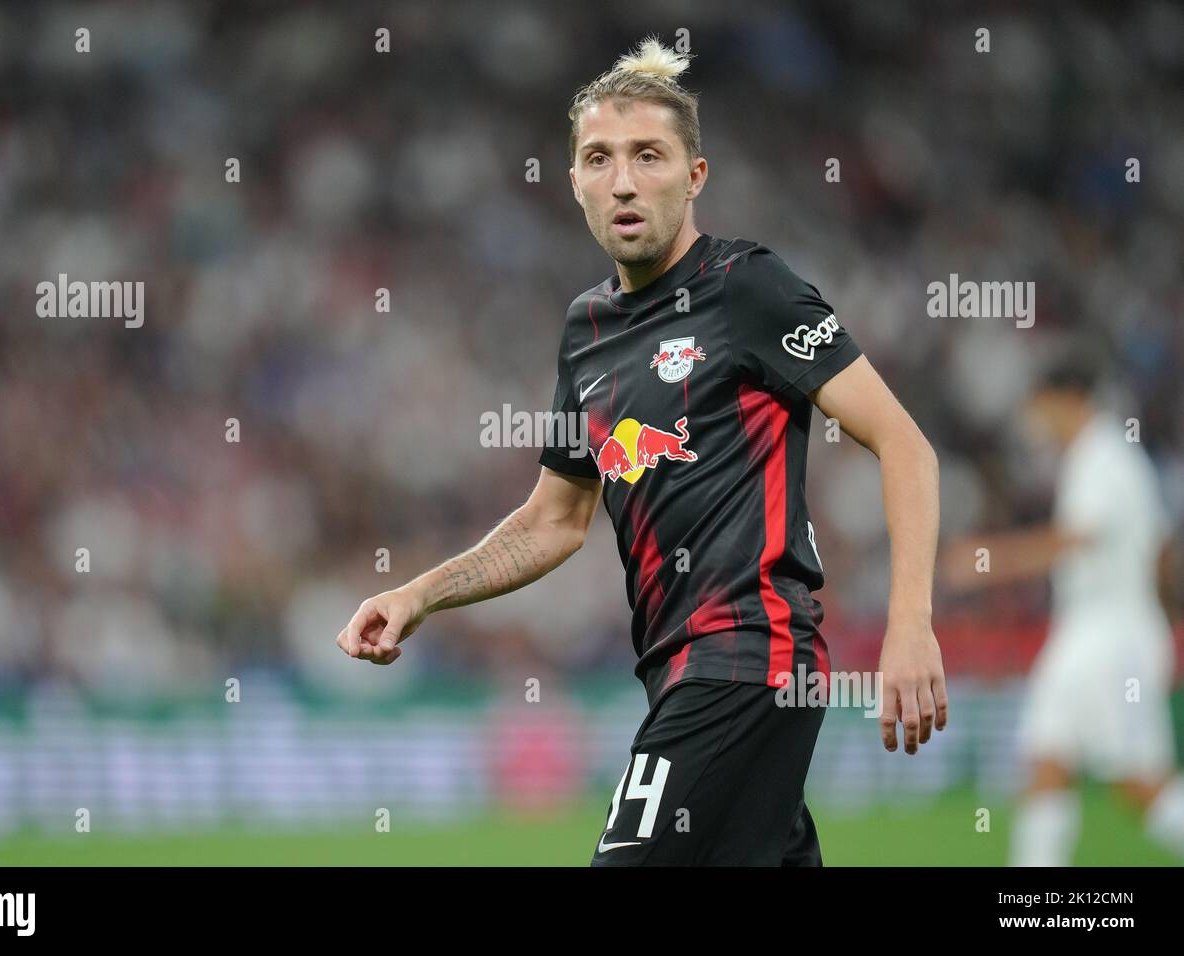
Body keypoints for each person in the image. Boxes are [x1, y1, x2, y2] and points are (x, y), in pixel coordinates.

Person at [337, 36, 946, 866]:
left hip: (746, 658)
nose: (623, 179)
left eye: (648, 156)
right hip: (679, 671)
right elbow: (553, 519)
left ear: (695, 177)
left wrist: (911, 625)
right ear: (576, 183)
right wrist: (418, 595)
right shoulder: (586, 332)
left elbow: (905, 445)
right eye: (600, 158)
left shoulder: (748, 288)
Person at [944, 348, 1184, 865]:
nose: (1033, 418)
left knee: (1139, 784)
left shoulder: (1104, 455)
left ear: (1065, 399)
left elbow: (1071, 540)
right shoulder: (1102, 457)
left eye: (1039, 404)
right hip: (1086, 632)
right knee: (1046, 761)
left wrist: (986, 561)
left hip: (1111, 636)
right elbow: (1162, 550)